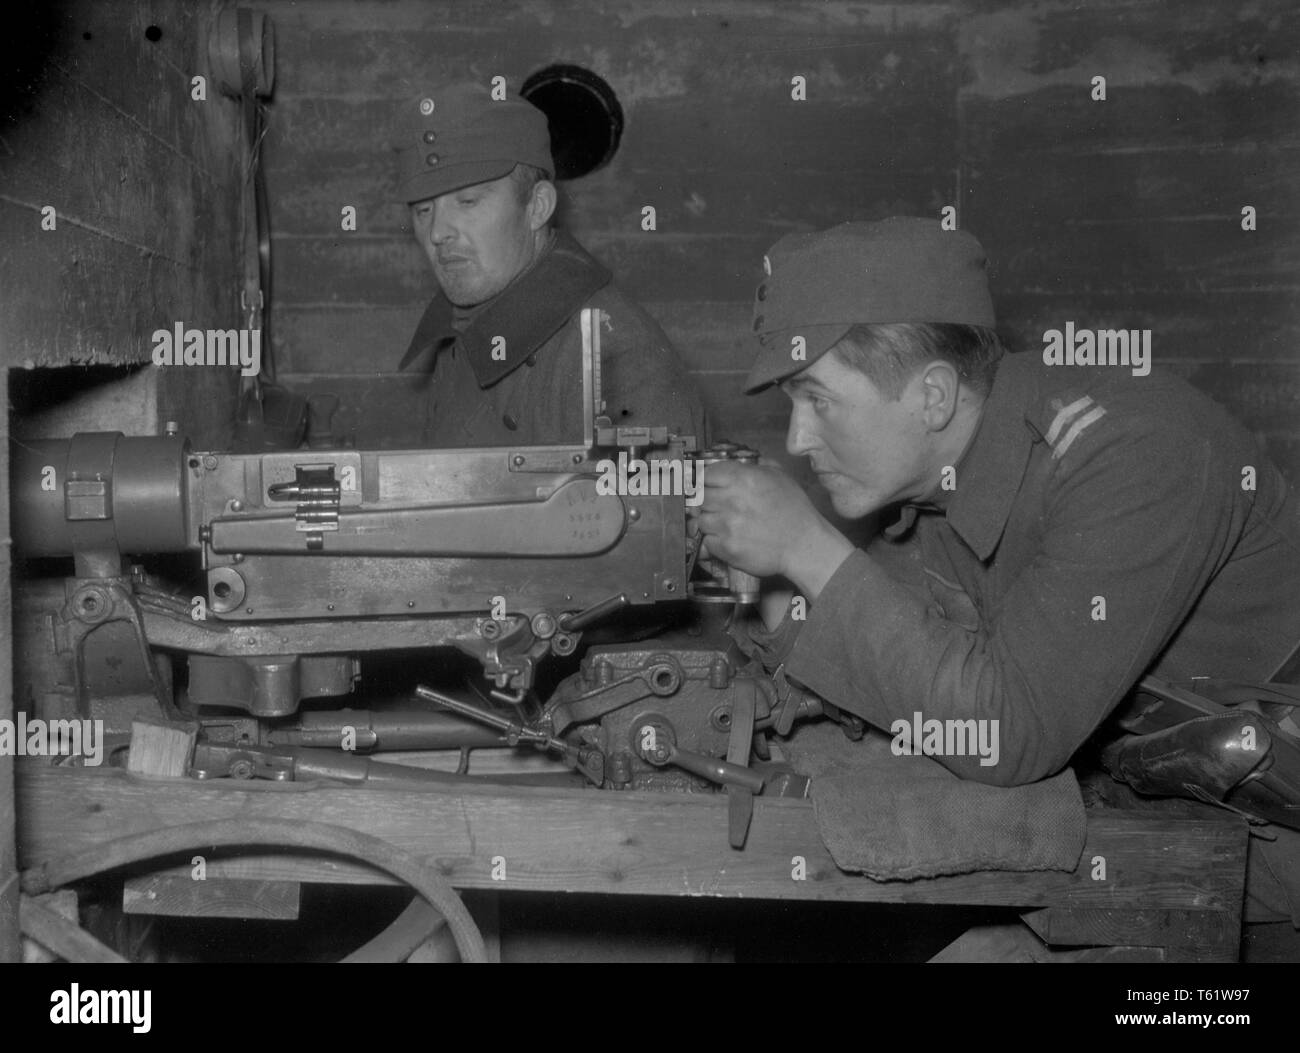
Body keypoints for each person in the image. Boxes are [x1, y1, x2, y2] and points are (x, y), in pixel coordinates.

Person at [696, 217, 1300, 923]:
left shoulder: (1133, 453)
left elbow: (1006, 732)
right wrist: (777, 588)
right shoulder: (943, 476)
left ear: (933, 395)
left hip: (1261, 846)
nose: (798, 438)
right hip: (1149, 815)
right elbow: (904, 651)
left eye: (818, 398)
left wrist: (805, 548)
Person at [393, 82, 705, 448]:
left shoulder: (617, 359)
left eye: (469, 201)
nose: (437, 233)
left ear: (537, 208)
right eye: (423, 210)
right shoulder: (464, 325)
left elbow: (655, 504)